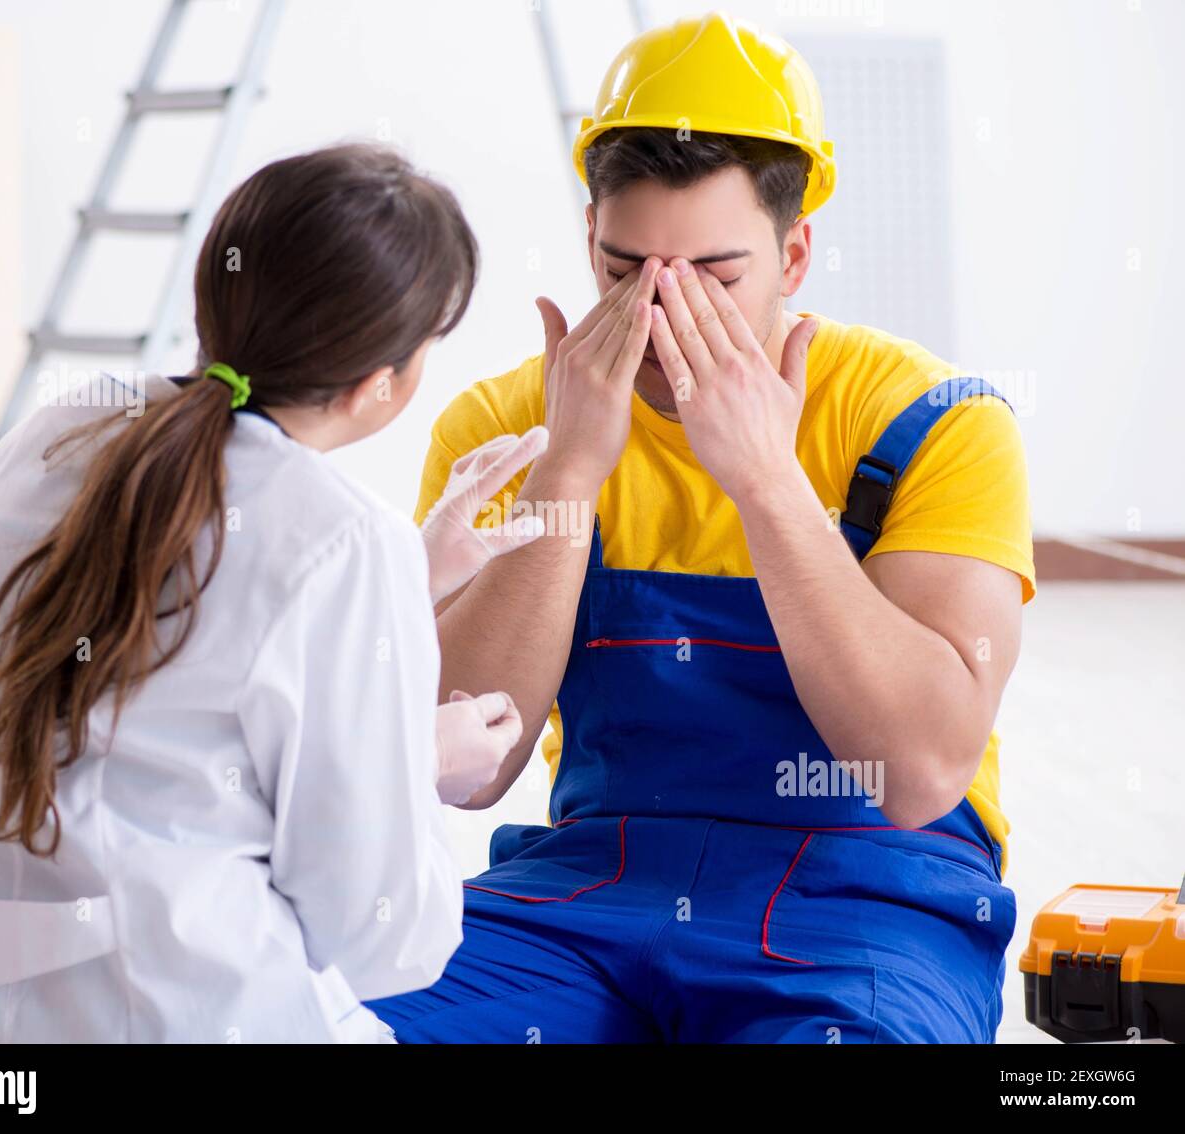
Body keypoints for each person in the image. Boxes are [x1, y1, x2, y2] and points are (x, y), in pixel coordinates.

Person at [369, 13, 1035, 1043]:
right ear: (587, 235)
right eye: (622, 270)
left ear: (795, 253)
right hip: (588, 889)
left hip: (872, 906)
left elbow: (917, 773)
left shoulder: (933, 422)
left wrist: (767, 484)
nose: (658, 321)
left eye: (714, 280)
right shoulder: (507, 427)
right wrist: (568, 472)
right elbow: (469, 764)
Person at [0, 144, 546, 1043]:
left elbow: (160, 663)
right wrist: (415, 759)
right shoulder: (345, 541)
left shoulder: (61, 428)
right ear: (381, 384)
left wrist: (408, 582)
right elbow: (386, 938)